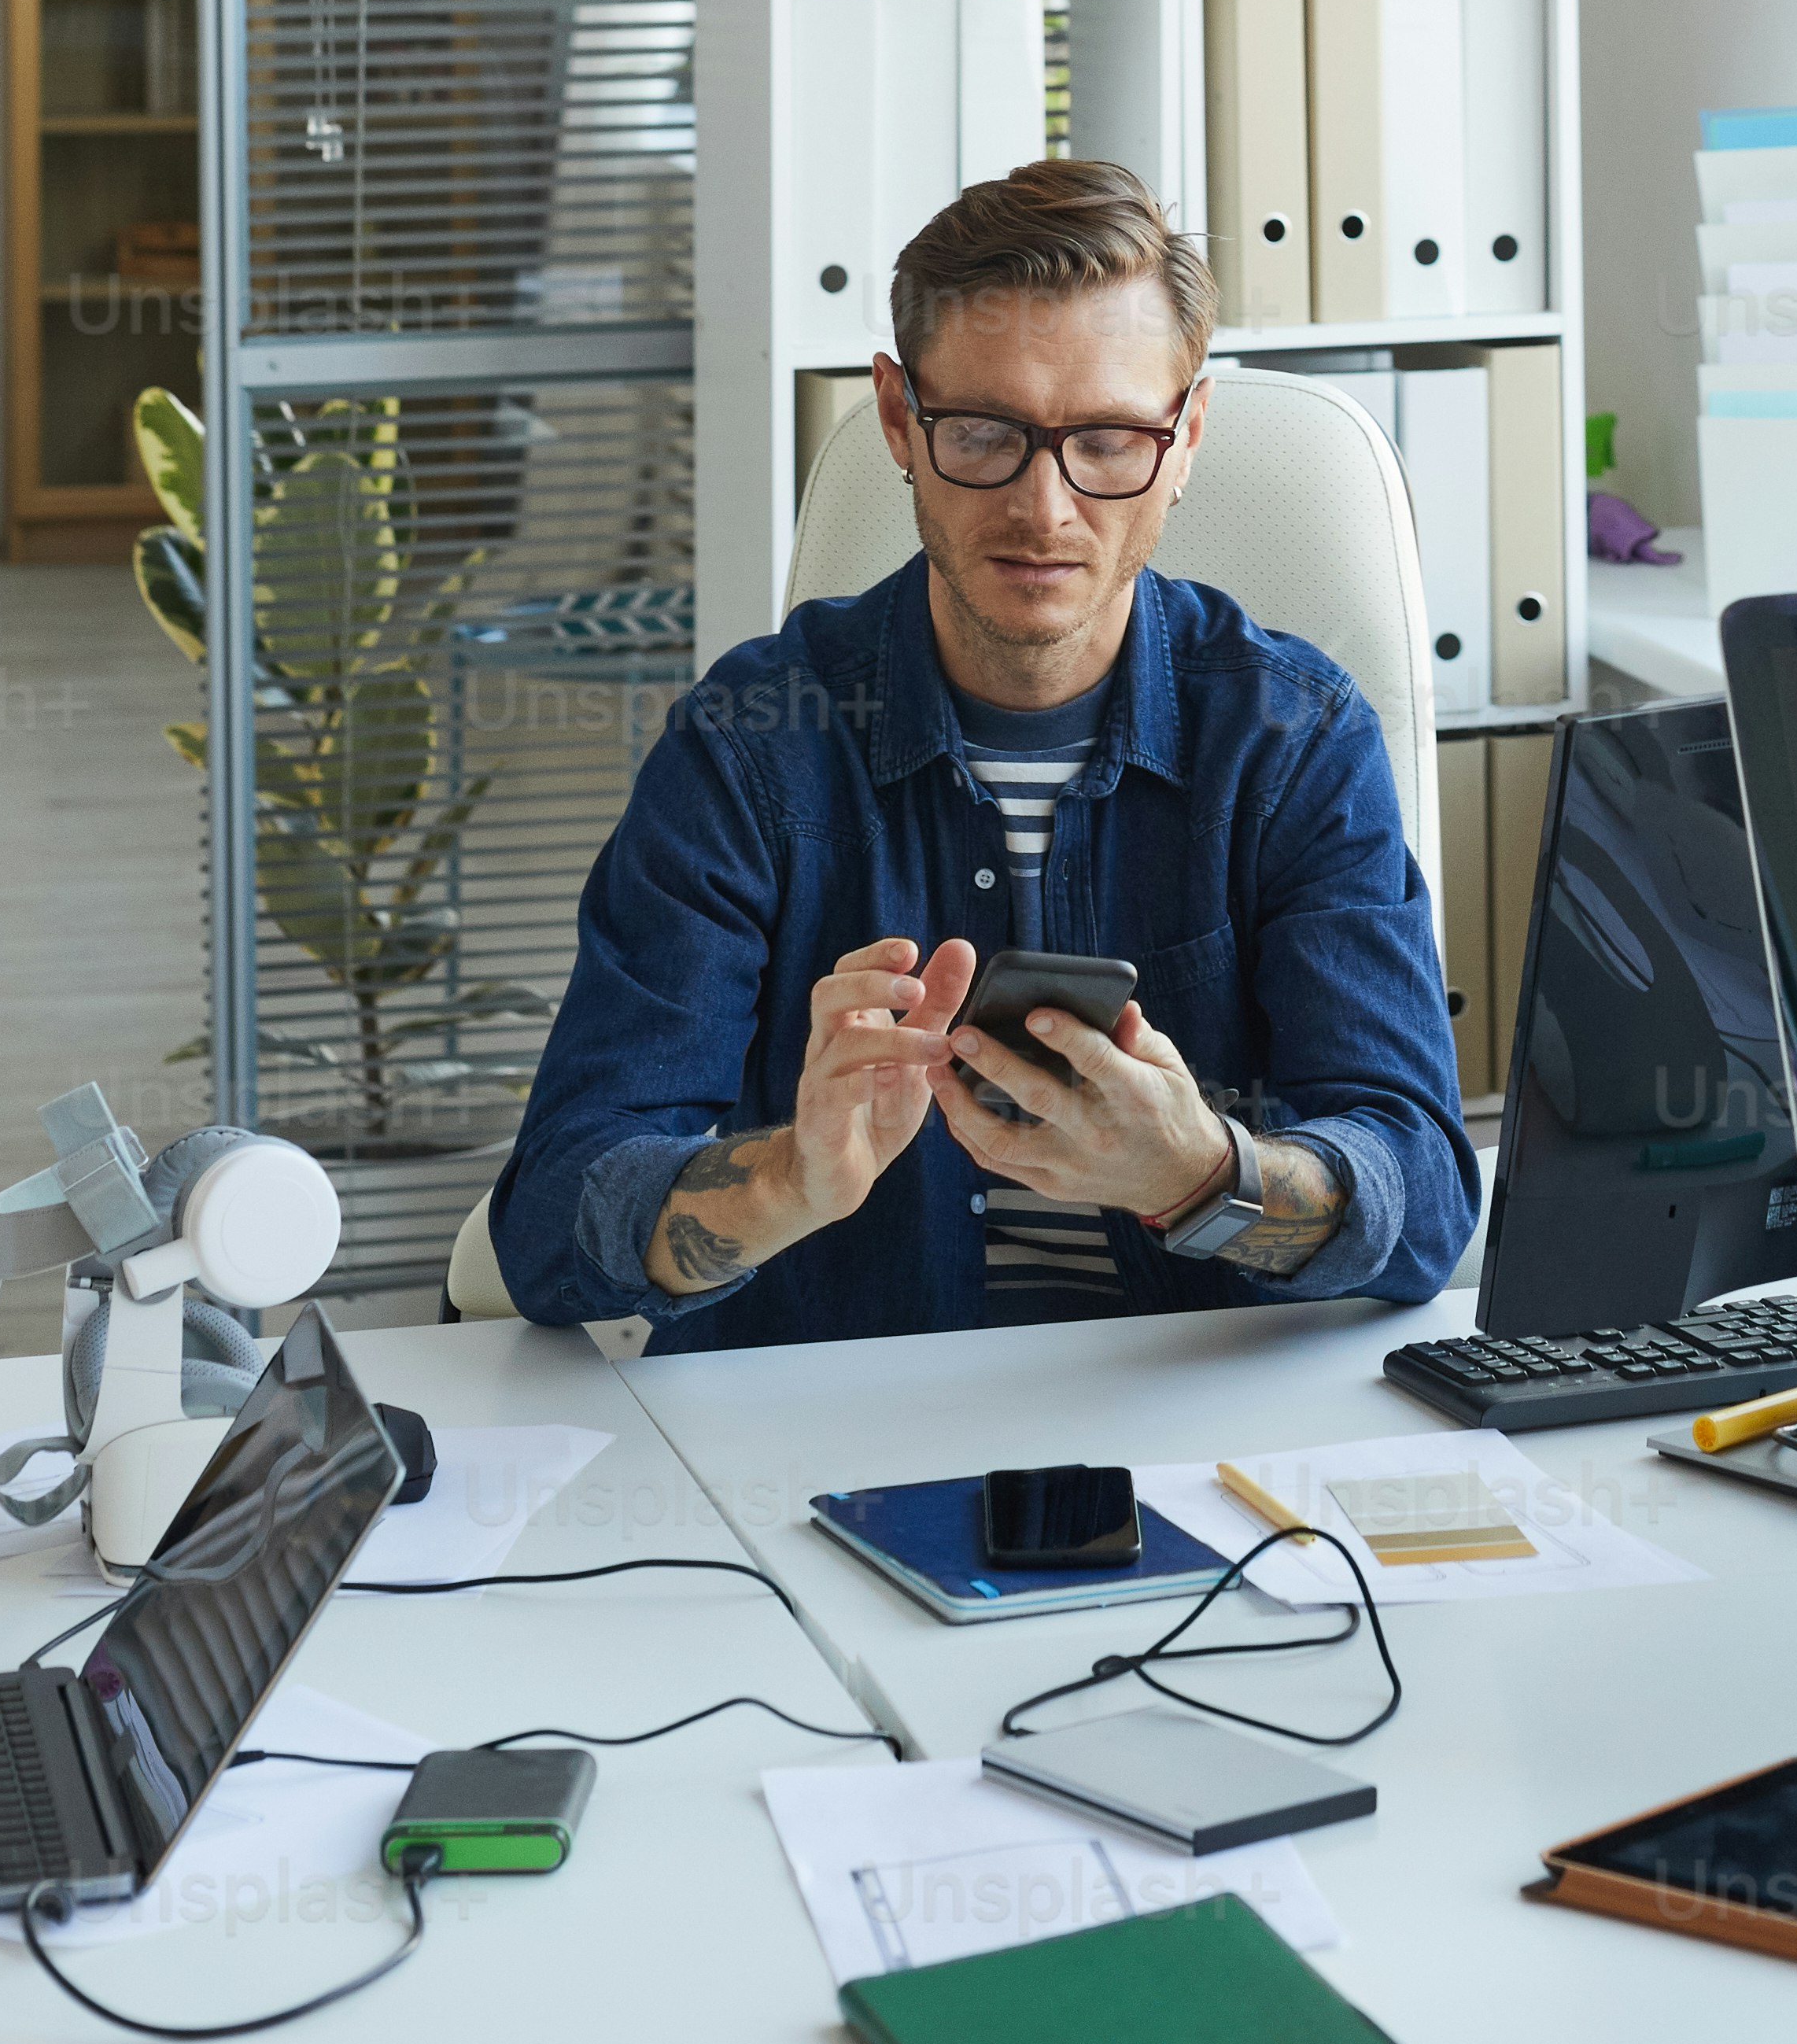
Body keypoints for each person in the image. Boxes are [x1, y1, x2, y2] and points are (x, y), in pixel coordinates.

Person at [493, 153, 1476, 1350]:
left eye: (1109, 441)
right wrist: (786, 1182)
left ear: (1186, 436)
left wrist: (1197, 1174)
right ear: (901, 422)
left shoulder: (1296, 738)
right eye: (986, 433)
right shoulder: (749, 745)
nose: (1045, 508)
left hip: (1195, 1435)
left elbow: (1424, 1201)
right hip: (830, 1437)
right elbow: (547, 1224)